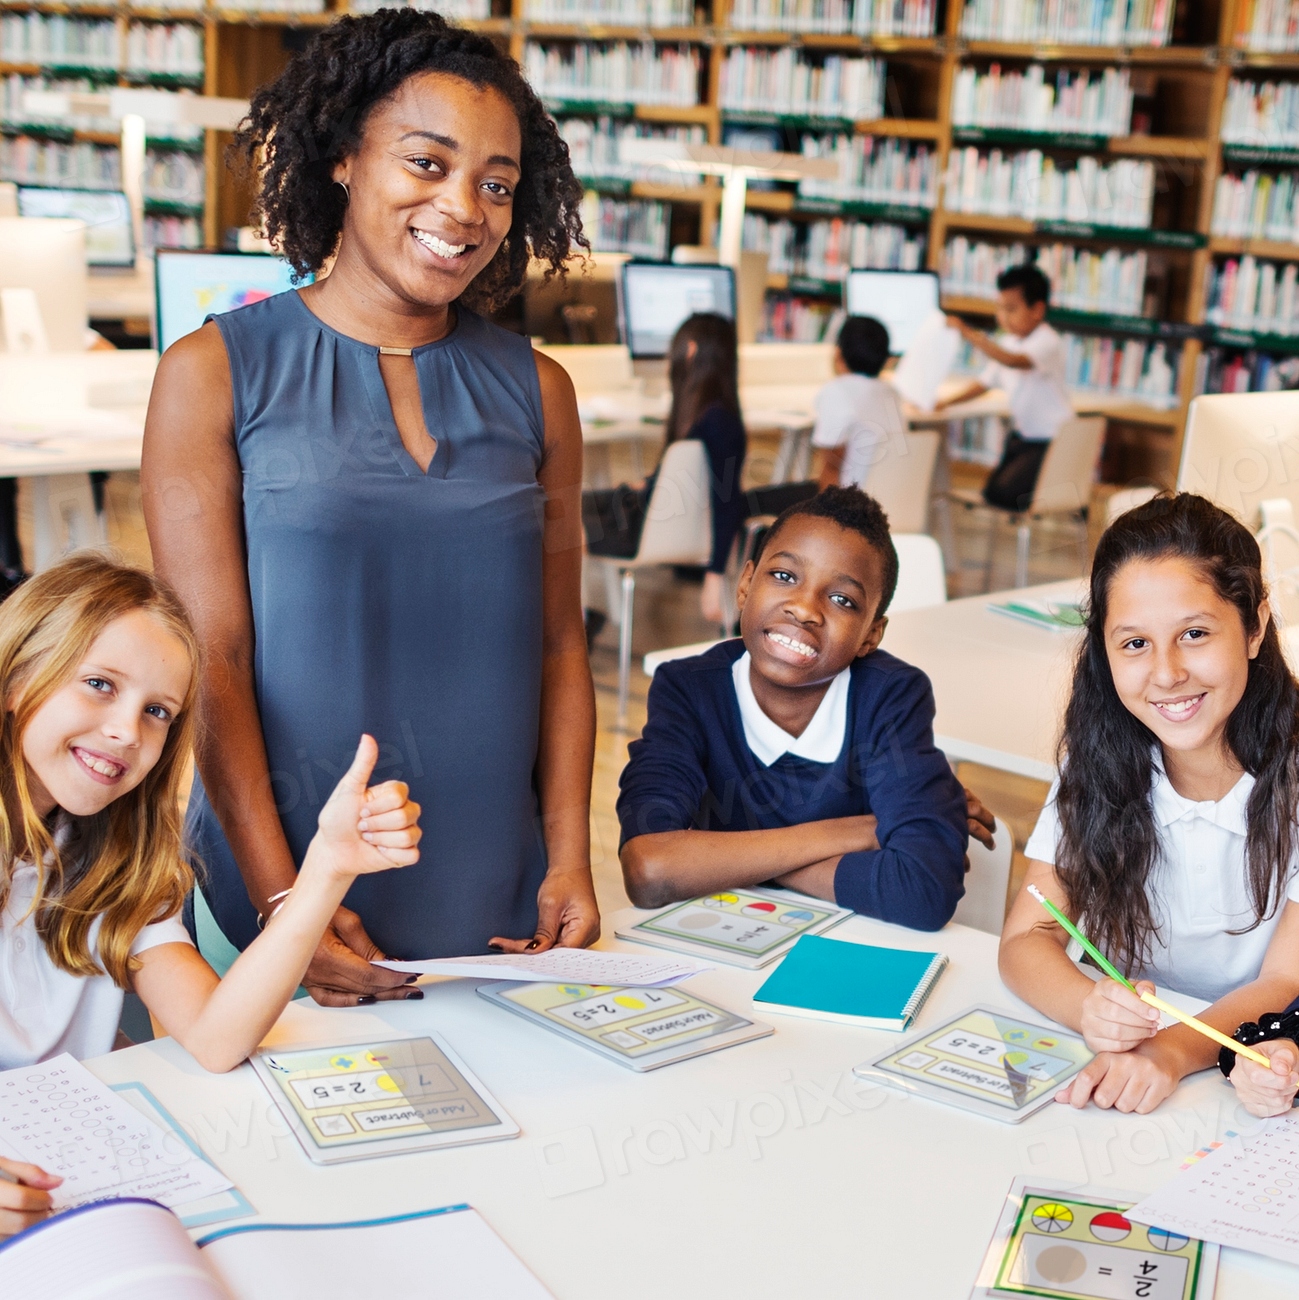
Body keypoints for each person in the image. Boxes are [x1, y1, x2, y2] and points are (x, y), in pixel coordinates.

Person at [142, 10, 600, 1006]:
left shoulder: (541, 390)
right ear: (345, 155)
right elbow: (210, 664)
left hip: (500, 913)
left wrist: (569, 856)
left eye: (496, 183)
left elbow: (562, 648)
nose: (465, 208)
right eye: (427, 163)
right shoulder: (212, 375)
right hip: (283, 903)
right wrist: (282, 903)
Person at [0, 554, 421, 1234]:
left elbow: (217, 1035)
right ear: (19, 677)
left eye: (157, 712)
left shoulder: (118, 860)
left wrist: (325, 871)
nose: (125, 732)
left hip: (75, 1194)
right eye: (100, 685)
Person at [999, 493, 1299, 1115]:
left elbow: (1284, 980)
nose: (1165, 673)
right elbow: (1027, 936)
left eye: (1194, 634)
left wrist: (1168, 1052)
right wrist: (1088, 1006)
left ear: (1255, 627)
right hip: (1122, 1062)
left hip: (1249, 1063)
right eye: (1134, 644)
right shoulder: (1100, 762)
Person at [617, 486, 993, 923]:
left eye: (842, 600)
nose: (803, 608)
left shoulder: (891, 695)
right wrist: (870, 829)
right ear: (744, 584)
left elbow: (922, 891)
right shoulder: (687, 689)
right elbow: (650, 870)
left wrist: (721, 859)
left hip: (854, 949)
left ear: (871, 634)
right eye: (784, 576)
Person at [583, 313, 748, 627]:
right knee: (565, 508)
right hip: (652, 512)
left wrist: (715, 575)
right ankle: (580, 619)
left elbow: (728, 503)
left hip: (647, 527)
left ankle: (575, 622)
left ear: (690, 350)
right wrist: (652, 482)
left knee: (557, 520)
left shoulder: (714, 421)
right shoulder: (715, 415)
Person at [936, 262, 1073, 511]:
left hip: (1051, 440)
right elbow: (983, 383)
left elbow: (1012, 361)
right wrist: (946, 402)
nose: (1002, 317)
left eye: (1011, 309)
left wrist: (968, 333)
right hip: (1022, 437)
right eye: (1000, 308)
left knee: (1003, 495)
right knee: (993, 492)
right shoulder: (1008, 341)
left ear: (1037, 310)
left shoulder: (1048, 342)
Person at [813, 316, 906, 491]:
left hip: (853, 506)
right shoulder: (892, 394)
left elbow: (833, 467)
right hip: (892, 501)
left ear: (838, 354)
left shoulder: (836, 391)